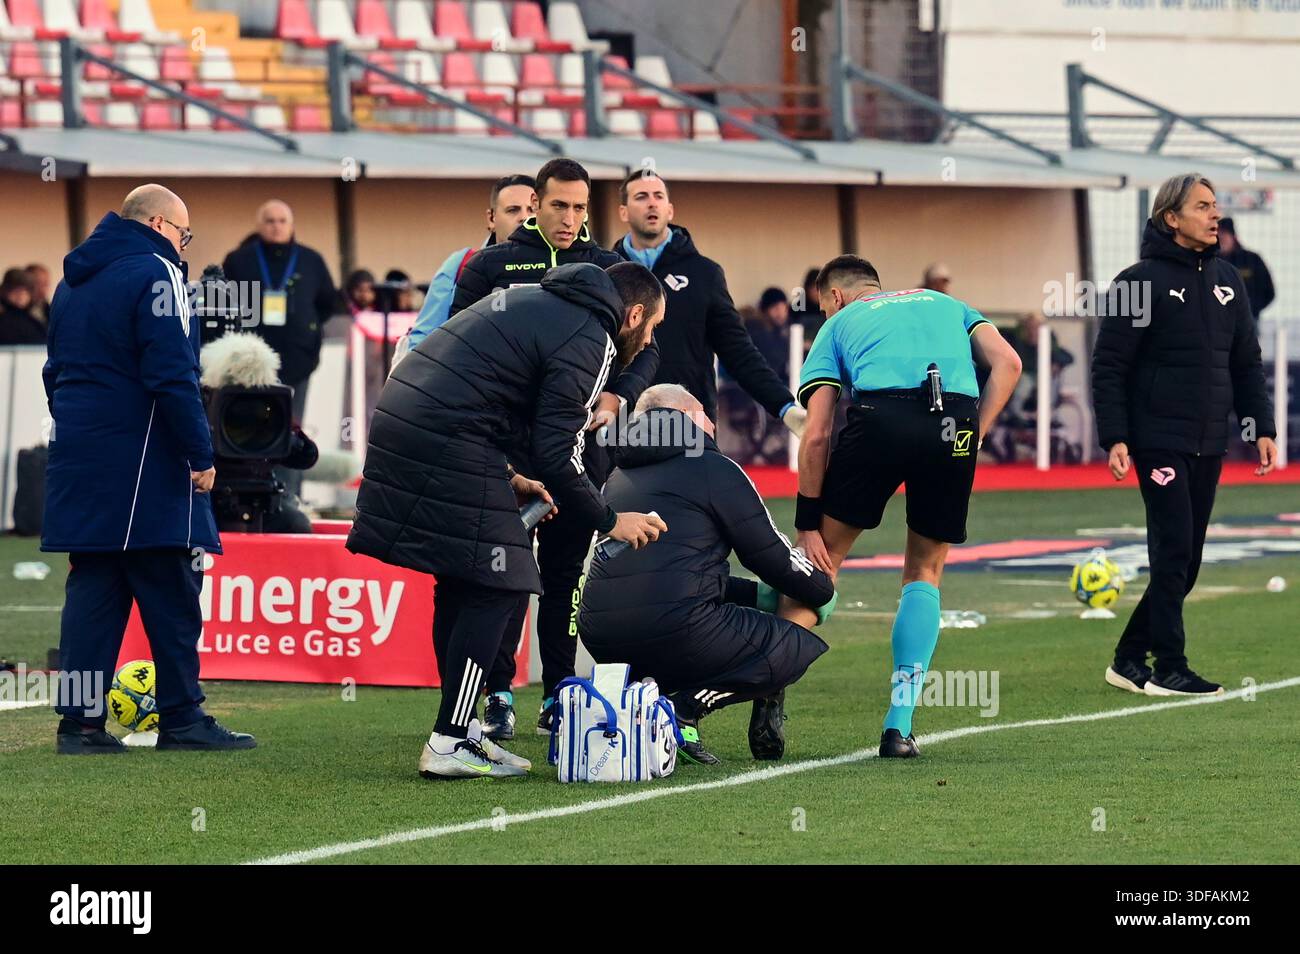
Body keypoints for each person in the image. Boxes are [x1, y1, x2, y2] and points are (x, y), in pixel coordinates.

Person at [347, 262, 668, 779]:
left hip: (405, 419)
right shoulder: (593, 333)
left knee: (461, 579)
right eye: (651, 328)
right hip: (446, 437)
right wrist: (609, 519)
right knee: (501, 581)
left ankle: (459, 731)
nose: (649, 339)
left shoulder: (539, 300)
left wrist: (510, 475)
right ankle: (450, 739)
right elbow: (558, 448)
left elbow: (476, 389)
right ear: (633, 315)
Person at [41, 183, 254, 754]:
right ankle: (183, 718)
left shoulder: (71, 282)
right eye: (184, 235)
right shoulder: (158, 274)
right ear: (161, 225)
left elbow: (52, 373)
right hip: (145, 461)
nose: (185, 247)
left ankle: (80, 726)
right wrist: (200, 453)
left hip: (81, 456)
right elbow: (172, 375)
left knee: (93, 590)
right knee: (172, 589)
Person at [452, 159, 660, 741]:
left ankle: (560, 691)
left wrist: (619, 394)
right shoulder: (491, 267)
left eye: (579, 206)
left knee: (566, 572)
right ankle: (495, 695)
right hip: (508, 454)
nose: (570, 218)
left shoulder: (608, 268)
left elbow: (648, 349)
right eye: (558, 206)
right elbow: (456, 346)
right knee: (506, 573)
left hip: (576, 449)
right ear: (534, 204)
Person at [794, 255, 1021, 758]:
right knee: (925, 568)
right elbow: (1009, 363)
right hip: (954, 420)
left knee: (819, 562)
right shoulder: (945, 302)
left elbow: (817, 437)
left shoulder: (837, 325)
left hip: (882, 418)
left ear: (832, 297)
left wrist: (807, 522)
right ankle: (898, 728)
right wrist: (973, 433)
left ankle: (767, 690)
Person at [579, 384, 836, 765]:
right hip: (677, 632)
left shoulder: (616, 475)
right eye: (704, 413)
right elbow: (771, 556)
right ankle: (684, 709)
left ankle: (654, 712)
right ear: (685, 417)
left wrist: (756, 597)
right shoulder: (714, 467)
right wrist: (821, 589)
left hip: (601, 636)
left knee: (682, 615)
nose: (712, 423)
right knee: (789, 648)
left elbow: (667, 574)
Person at [1092, 173, 1277, 698]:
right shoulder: (1137, 282)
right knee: (1173, 551)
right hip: (1158, 440)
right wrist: (1116, 436)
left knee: (1188, 559)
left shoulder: (1228, 280)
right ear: (1171, 218)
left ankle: (1128, 658)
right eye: (1203, 206)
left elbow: (1246, 362)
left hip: (1210, 440)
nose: (1214, 215)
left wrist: (1260, 426)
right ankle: (1170, 667)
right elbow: (1109, 366)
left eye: (1215, 206)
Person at [611, 170, 806, 437]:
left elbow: (737, 350)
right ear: (624, 212)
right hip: (622, 422)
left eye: (658, 196)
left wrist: (784, 406)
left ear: (670, 210)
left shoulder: (705, 274)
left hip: (688, 425)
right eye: (641, 197)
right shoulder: (607, 272)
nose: (651, 203)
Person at [220, 199, 338, 498]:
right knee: (250, 428)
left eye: (282, 220)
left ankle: (290, 497)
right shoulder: (239, 260)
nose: (276, 226)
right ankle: (247, 492)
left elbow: (328, 303)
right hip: (249, 364)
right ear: (260, 225)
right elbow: (224, 305)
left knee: (292, 429)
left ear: (292, 225)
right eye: (270, 221)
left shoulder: (311, 260)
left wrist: (306, 327)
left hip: (297, 361)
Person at [406, 173, 535, 349]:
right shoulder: (461, 264)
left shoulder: (559, 267)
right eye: (513, 210)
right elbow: (424, 340)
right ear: (491, 218)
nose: (524, 217)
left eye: (532, 210)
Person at [1216, 218, 1274, 325]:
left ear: (1234, 237)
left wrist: (1251, 310)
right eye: (1218, 236)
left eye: (1224, 235)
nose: (1221, 239)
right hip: (1218, 323)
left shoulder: (1252, 260)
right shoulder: (1209, 262)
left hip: (1248, 322)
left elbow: (1268, 292)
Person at [749, 286, 792, 378]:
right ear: (765, 310)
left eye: (783, 308)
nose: (780, 313)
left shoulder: (783, 330)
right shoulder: (755, 332)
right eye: (775, 308)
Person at [0, 268, 46, 345]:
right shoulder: (3, 319)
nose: (21, 295)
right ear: (5, 291)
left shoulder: (34, 319)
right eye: (16, 290)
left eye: (26, 291)